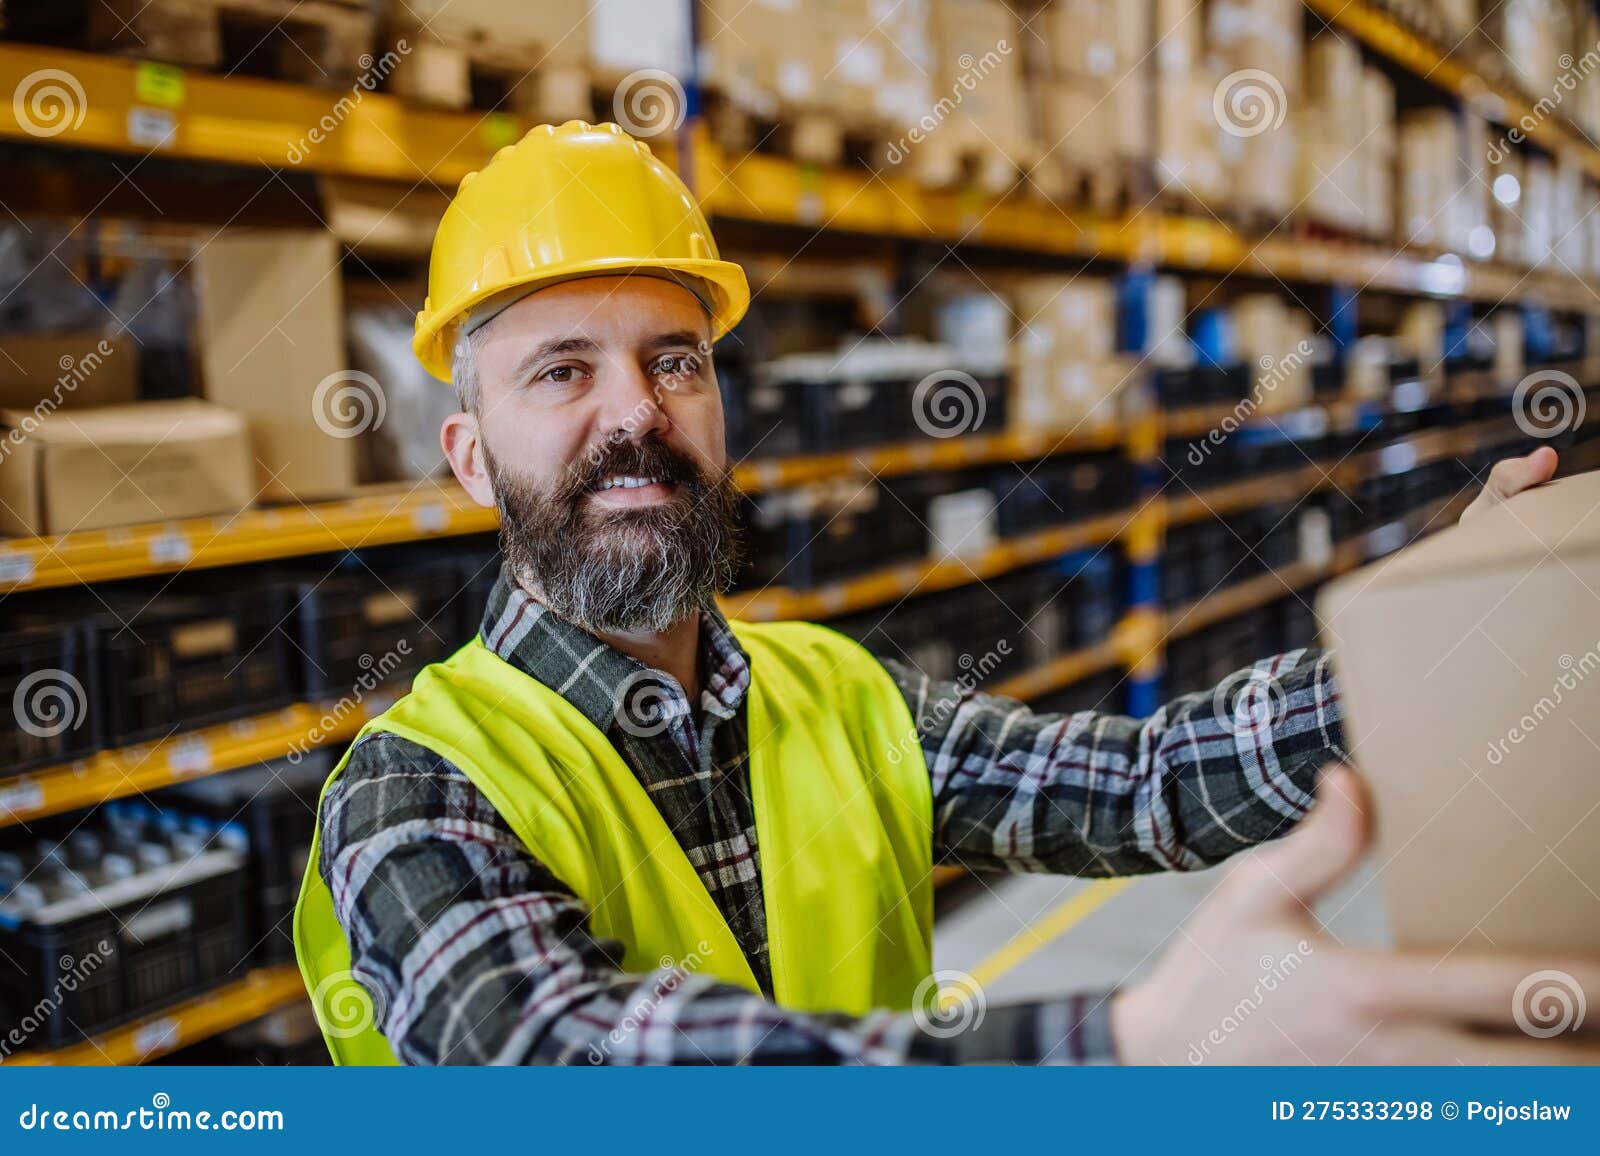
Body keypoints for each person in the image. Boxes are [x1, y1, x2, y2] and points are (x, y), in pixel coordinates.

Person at [293, 121, 1596, 1065]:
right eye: (561, 372)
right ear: (470, 460)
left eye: (674, 359)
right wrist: (1128, 1040)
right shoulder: (413, 795)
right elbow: (563, 1059)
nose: (637, 410)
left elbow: (1141, 783)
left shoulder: (838, 698)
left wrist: (1436, 649)